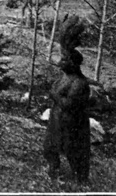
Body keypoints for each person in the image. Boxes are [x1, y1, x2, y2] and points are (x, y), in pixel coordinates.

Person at [43, 50, 91, 184]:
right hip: (57, 120)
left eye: (64, 60)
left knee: (73, 151)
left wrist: (54, 94)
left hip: (73, 124)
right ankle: (53, 171)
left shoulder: (79, 83)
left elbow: (69, 104)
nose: (59, 63)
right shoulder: (64, 78)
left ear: (73, 63)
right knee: (50, 147)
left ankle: (80, 181)